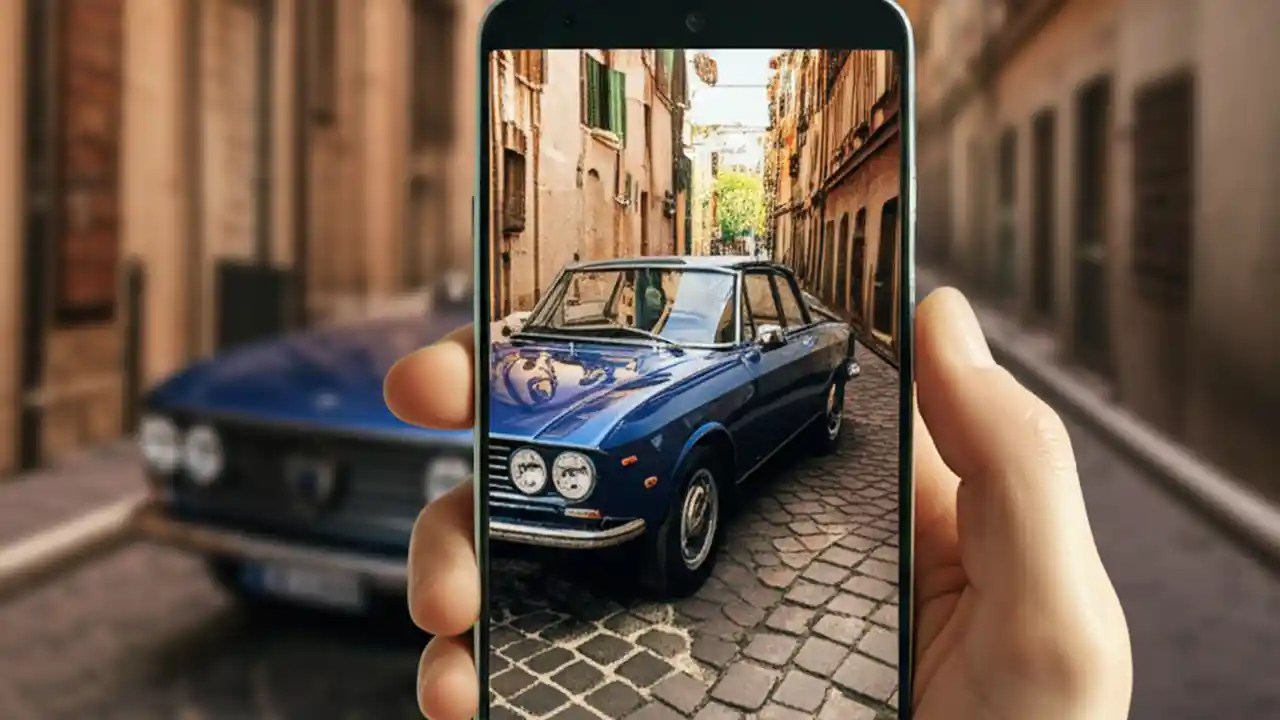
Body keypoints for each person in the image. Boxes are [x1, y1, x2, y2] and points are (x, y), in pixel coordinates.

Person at [384, 288, 1133, 720]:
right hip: (561, 477)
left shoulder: (793, 338)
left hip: (681, 403)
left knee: (759, 443)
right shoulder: (532, 352)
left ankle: (793, 441)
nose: (628, 316)